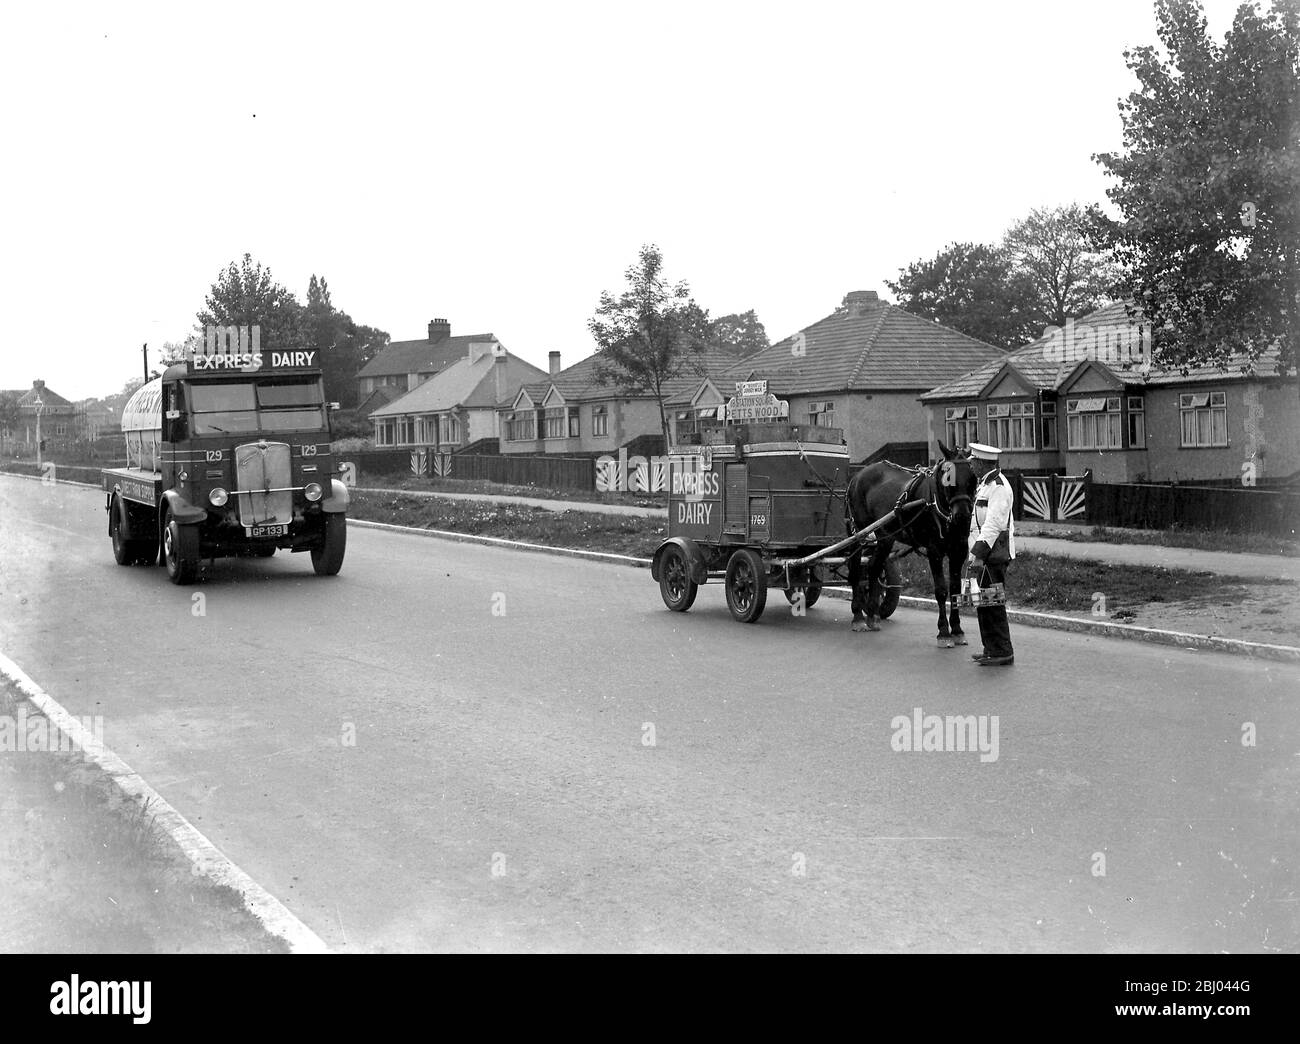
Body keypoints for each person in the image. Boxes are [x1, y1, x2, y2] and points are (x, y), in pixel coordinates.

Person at [966, 442, 1015, 666]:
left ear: (983, 463)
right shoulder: (985, 485)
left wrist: (978, 556)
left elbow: (994, 525)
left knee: (993, 605)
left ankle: (1002, 651)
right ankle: (990, 648)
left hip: (993, 555)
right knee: (983, 603)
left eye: (973, 462)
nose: (971, 466)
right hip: (984, 554)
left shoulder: (999, 487)